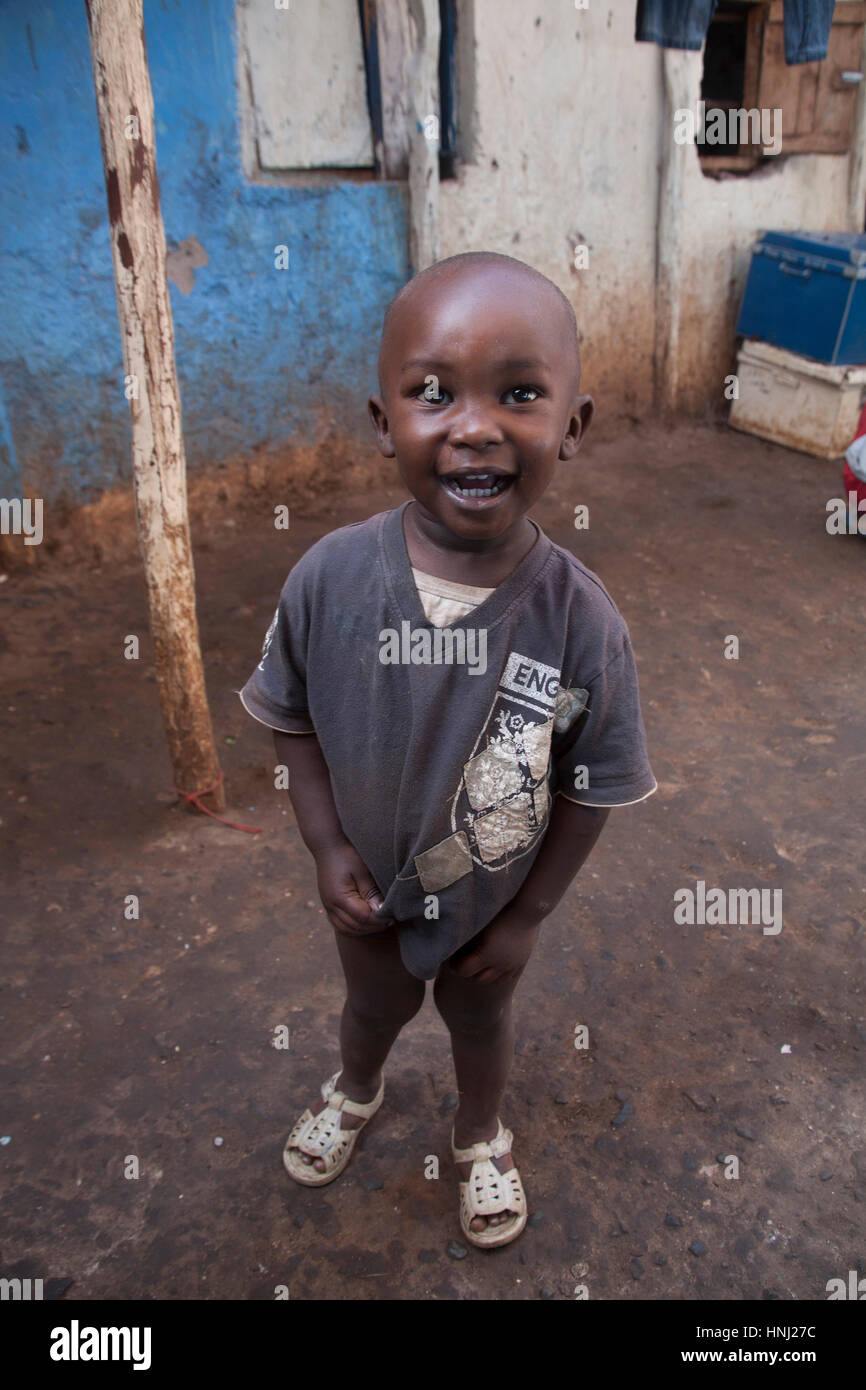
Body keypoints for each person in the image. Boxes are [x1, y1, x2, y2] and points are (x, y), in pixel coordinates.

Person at [238, 251, 656, 1248]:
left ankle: (478, 1136)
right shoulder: (328, 579)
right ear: (384, 422)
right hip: (367, 894)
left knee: (478, 1025)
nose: (473, 424)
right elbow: (289, 722)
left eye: (519, 393)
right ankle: (355, 1088)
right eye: (433, 393)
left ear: (572, 426)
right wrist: (324, 846)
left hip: (489, 906)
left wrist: (526, 916)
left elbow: (593, 785)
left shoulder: (579, 621)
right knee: (369, 1005)